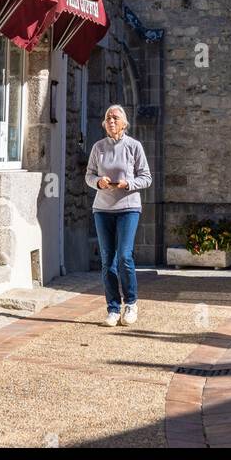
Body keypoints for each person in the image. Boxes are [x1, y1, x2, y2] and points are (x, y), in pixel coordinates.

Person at [85, 105, 152, 326]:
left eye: (115, 117)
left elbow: (146, 177)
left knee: (124, 256)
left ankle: (131, 304)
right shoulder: (98, 147)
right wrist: (98, 182)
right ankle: (113, 309)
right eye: (107, 118)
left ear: (124, 123)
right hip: (102, 209)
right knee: (108, 260)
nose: (111, 121)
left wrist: (128, 184)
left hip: (128, 207)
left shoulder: (134, 146)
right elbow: (89, 175)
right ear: (104, 124)